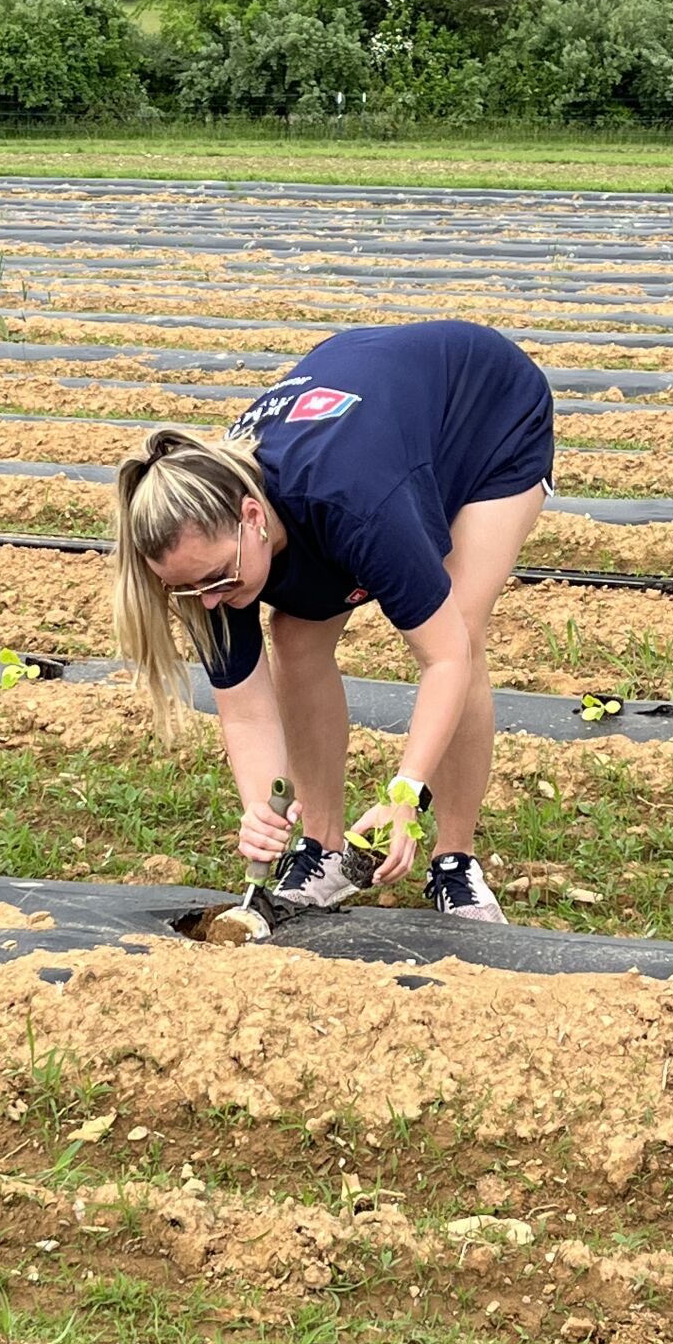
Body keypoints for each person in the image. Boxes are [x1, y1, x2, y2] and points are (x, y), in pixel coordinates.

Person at [113, 320, 554, 923]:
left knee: (461, 626)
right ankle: (321, 849)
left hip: (483, 413)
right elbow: (244, 708)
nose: (207, 600)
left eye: (216, 580)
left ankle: (455, 861)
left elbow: (444, 659)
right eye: (185, 589)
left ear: (252, 517)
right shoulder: (205, 555)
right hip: (377, 399)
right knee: (294, 635)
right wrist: (261, 814)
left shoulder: (357, 504)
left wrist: (407, 792)